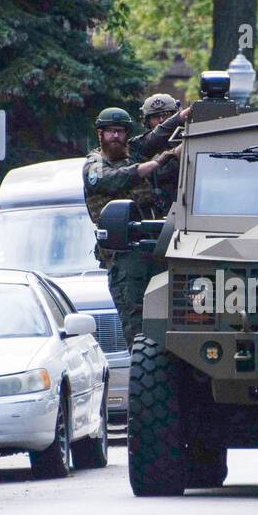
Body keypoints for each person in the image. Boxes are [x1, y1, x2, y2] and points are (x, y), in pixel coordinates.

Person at [82, 106, 181, 347]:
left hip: (156, 249)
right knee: (138, 329)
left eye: (120, 132)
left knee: (172, 321)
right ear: (100, 135)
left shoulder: (134, 152)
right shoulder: (95, 163)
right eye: (109, 132)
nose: (115, 137)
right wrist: (155, 163)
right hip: (124, 256)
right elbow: (110, 179)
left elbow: (156, 135)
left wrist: (183, 116)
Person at [130, 93, 189, 216]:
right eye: (155, 117)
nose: (162, 120)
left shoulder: (190, 140)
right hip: (156, 217)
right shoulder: (138, 146)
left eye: (167, 115)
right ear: (147, 121)